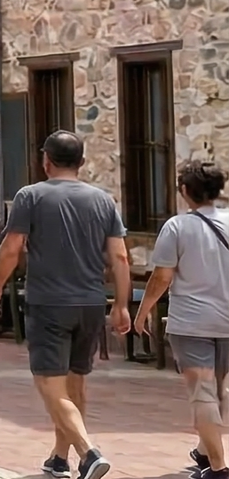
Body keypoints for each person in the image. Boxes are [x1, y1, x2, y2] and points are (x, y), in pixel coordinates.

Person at [0, 130, 129, 479]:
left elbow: (12, 246)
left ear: (45, 160)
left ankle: (88, 452)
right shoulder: (103, 200)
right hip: (91, 302)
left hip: (49, 302)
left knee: (49, 384)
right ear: (82, 161)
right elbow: (120, 256)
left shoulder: (30, 196)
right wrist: (121, 304)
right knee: (76, 382)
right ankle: (60, 457)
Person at [136, 158, 229, 479]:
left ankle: (218, 468)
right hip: (227, 322)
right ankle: (206, 451)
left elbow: (161, 277)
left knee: (203, 393)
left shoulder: (177, 227)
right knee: (217, 390)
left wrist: (143, 311)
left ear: (186, 191)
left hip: (191, 323)